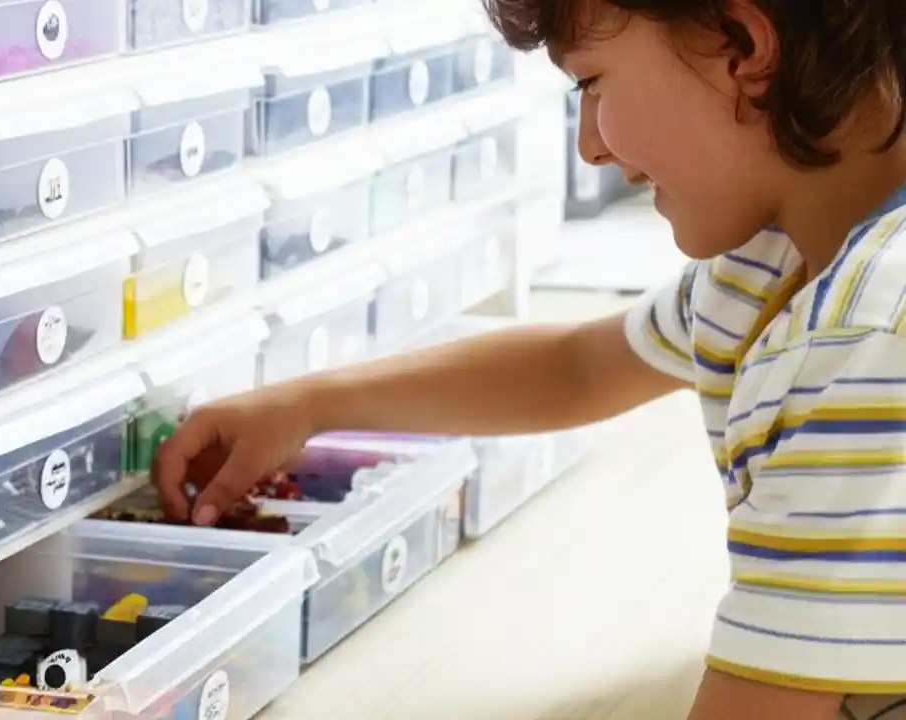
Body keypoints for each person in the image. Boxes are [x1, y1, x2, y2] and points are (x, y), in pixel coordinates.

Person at [151, 1, 906, 718]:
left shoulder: (863, 334)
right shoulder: (772, 264)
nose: (589, 145)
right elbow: (576, 367)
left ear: (741, 48)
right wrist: (309, 403)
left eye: (592, 82)